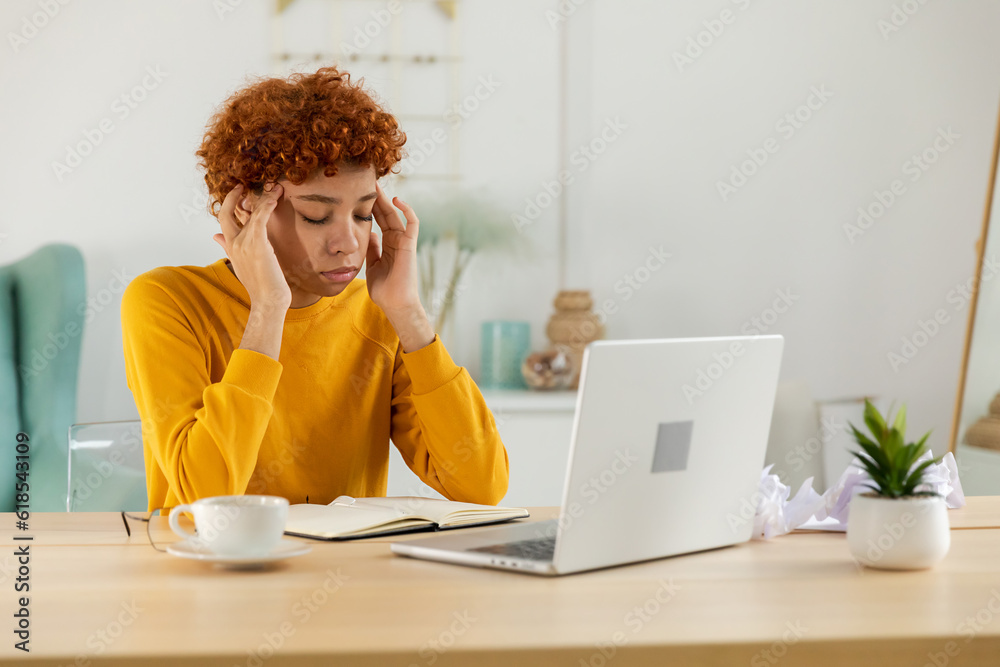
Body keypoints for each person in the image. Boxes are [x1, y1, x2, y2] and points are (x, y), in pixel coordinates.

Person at [121, 66, 509, 511]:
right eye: (316, 216)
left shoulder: (378, 315)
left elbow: (482, 484)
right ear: (248, 209)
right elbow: (206, 496)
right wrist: (268, 310)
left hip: (346, 578)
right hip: (214, 575)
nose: (348, 243)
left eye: (363, 214)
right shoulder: (167, 301)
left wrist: (410, 314)